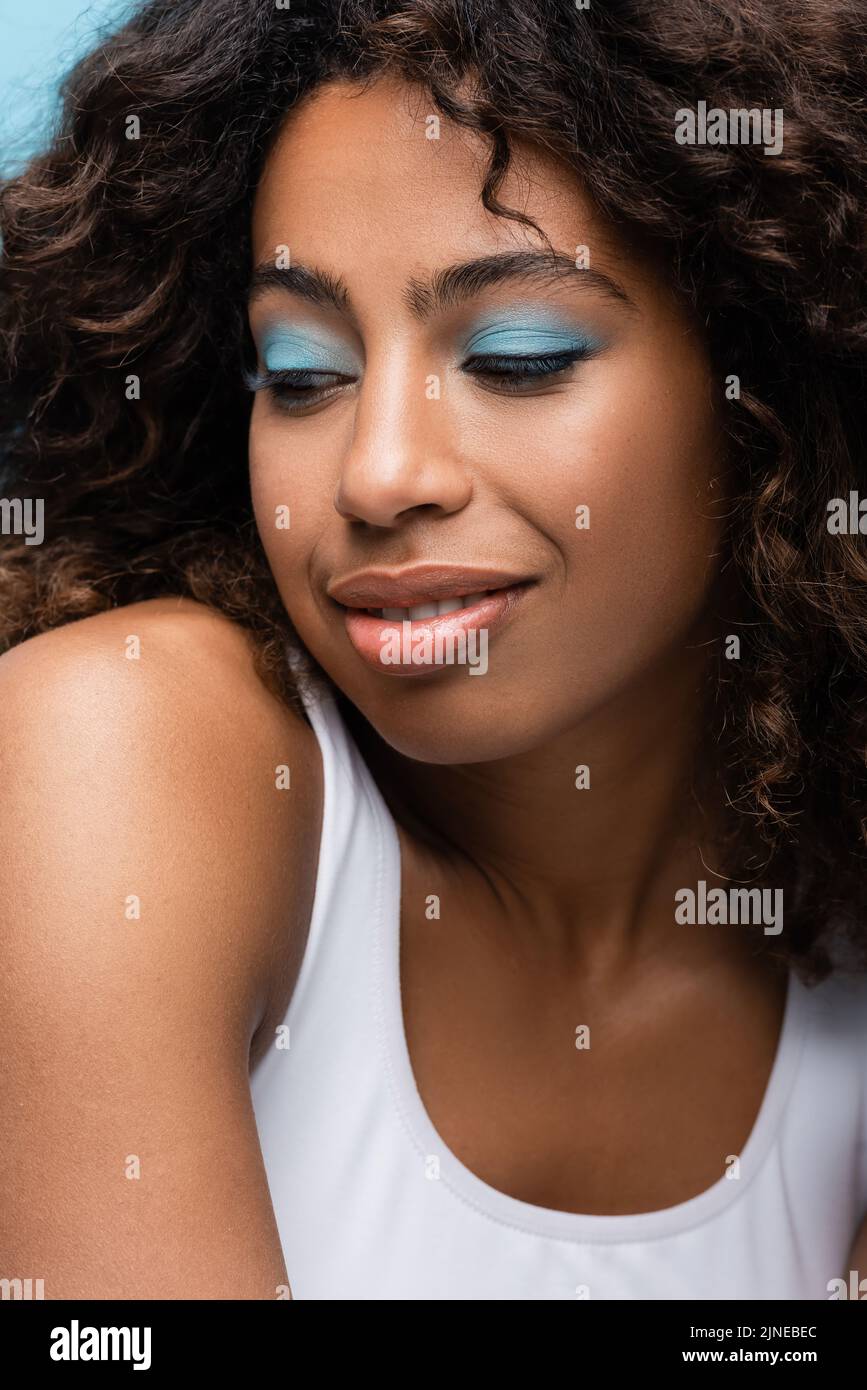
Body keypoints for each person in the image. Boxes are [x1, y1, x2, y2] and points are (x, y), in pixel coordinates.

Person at [1, 0, 865, 1300]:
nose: (379, 471)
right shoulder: (111, 756)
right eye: (300, 373)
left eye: (517, 357)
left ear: (772, 391)